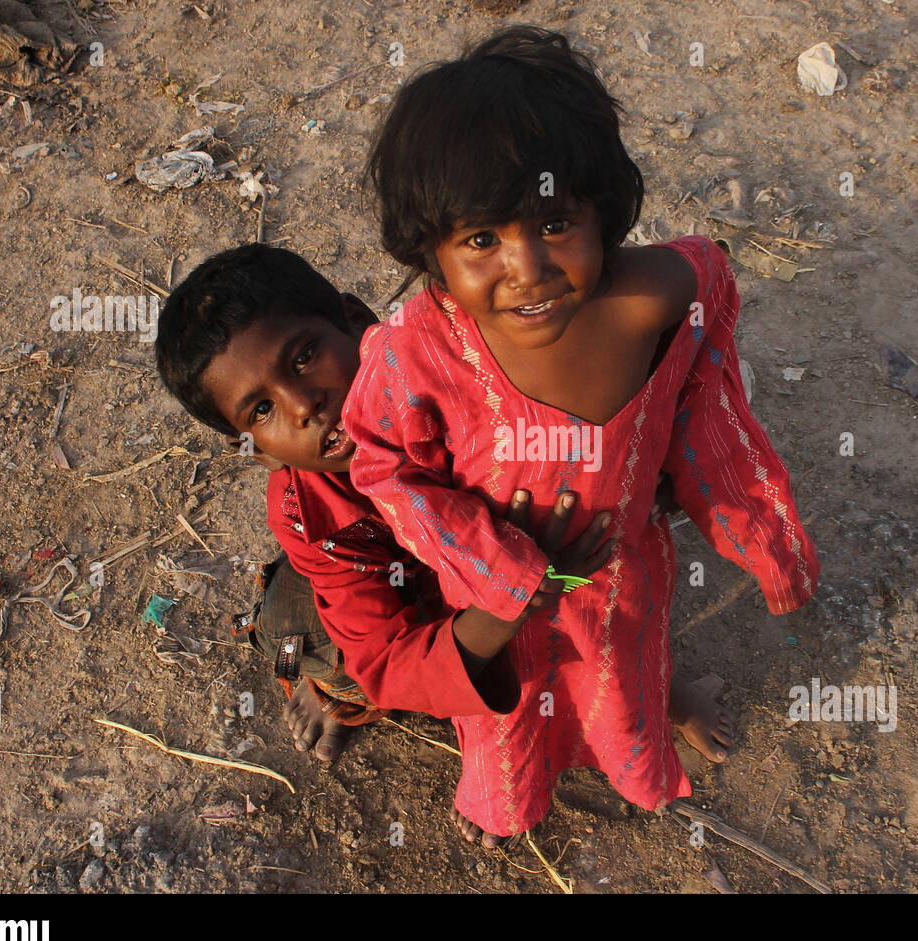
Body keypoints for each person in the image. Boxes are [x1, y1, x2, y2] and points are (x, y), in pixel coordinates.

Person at [348, 26, 820, 845]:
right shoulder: (416, 352)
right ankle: (512, 810)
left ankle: (661, 711)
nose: (527, 265)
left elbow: (710, 407)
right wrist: (504, 568)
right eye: (481, 239)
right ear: (430, 250)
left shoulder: (664, 299)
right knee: (509, 729)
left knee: (625, 686)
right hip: (502, 608)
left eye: (556, 221)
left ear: (604, 210)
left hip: (621, 579)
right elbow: (385, 467)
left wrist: (761, 534)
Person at [154, 243, 615, 764]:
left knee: (600, 578)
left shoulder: (460, 374)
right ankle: (332, 697)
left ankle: (661, 692)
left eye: (304, 358)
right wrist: (513, 593)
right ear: (258, 452)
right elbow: (384, 663)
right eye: (263, 409)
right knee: (317, 648)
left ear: (358, 322)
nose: (304, 405)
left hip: (471, 568)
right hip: (384, 579)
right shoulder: (311, 519)